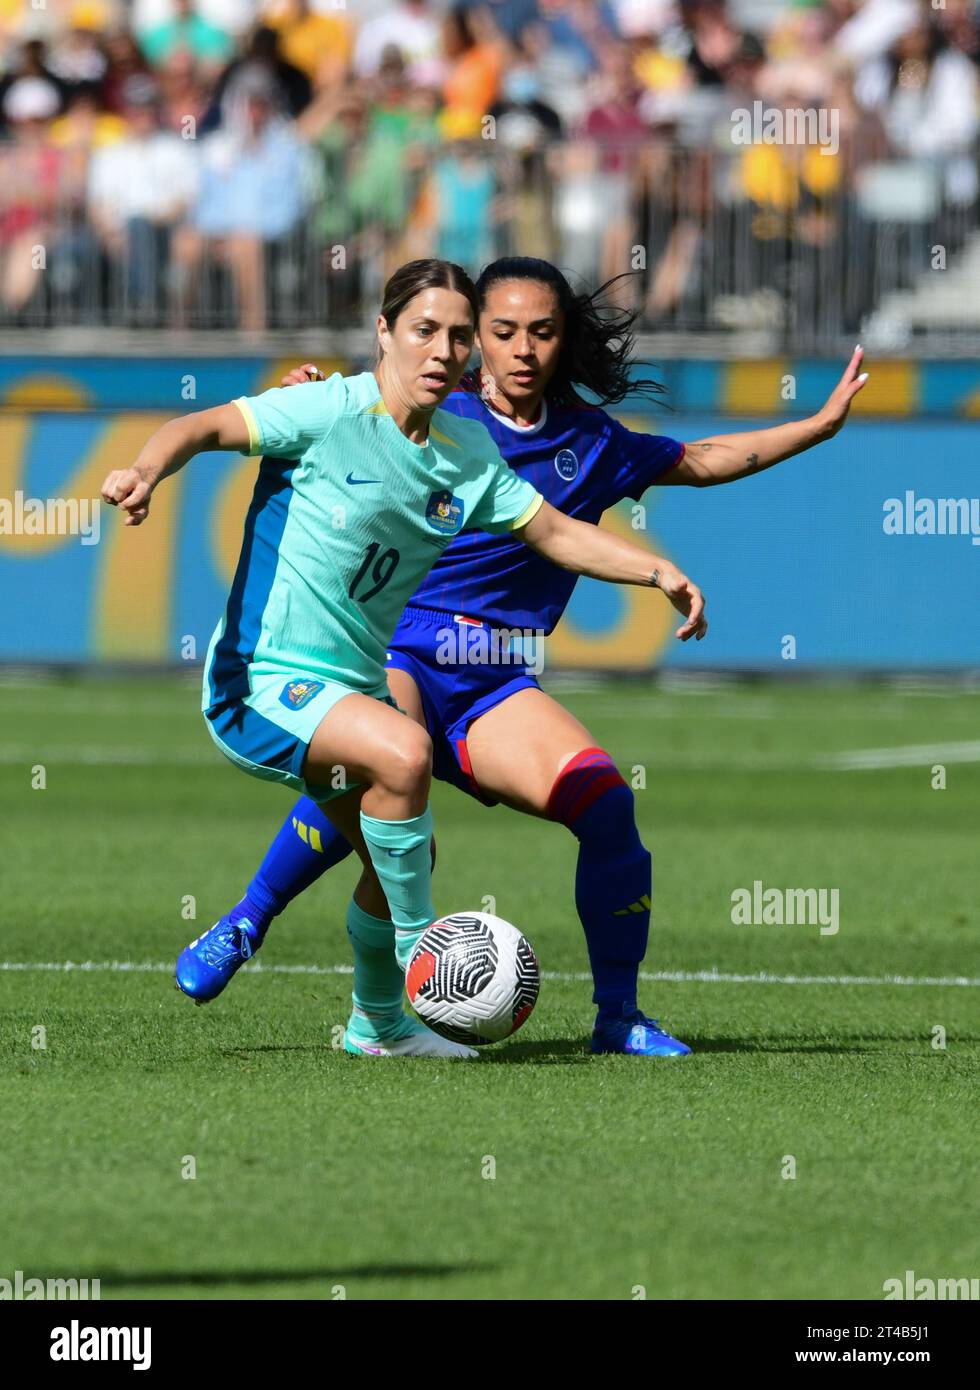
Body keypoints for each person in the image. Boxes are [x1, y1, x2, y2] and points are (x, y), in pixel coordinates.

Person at [172, 256, 867, 1057]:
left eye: (541, 331)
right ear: (476, 338)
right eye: (501, 332)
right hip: (402, 651)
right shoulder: (440, 409)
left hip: (494, 680)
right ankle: (249, 920)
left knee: (607, 807)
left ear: (564, 338)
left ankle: (618, 1019)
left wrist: (816, 428)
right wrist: (307, 390)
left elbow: (702, 459)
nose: (522, 349)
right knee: (382, 764)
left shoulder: (590, 441)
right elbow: (356, 405)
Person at [101, 257, 709, 1060]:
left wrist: (656, 570)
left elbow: (556, 532)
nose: (443, 351)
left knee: (407, 848)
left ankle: (377, 1025)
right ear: (383, 332)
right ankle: (426, 960)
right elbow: (199, 428)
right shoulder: (327, 407)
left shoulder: (464, 449)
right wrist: (144, 472)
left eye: (458, 337)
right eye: (425, 330)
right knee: (404, 752)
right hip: (260, 681)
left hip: (353, 687)